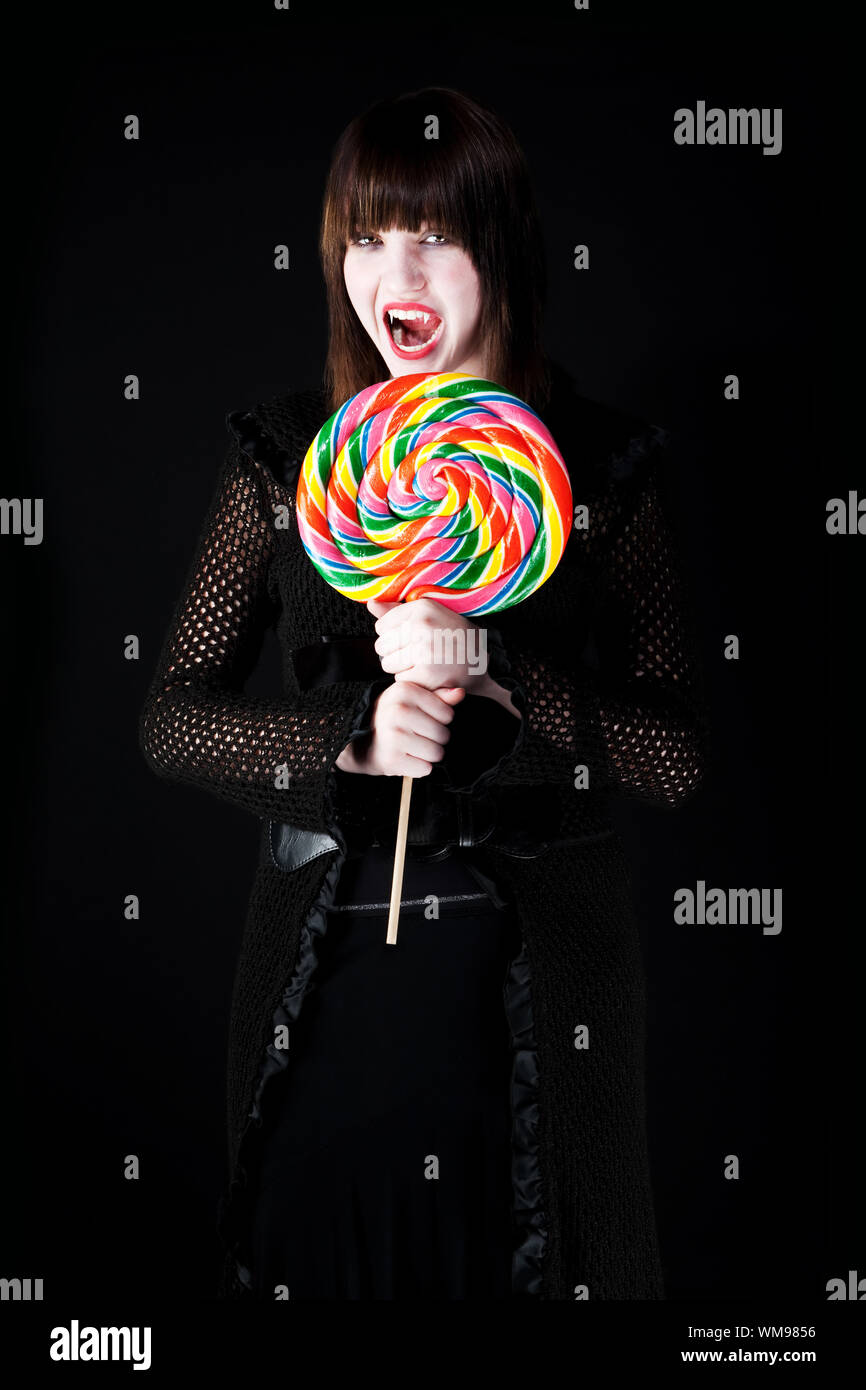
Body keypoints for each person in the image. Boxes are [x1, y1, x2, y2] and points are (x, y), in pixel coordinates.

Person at [138, 86, 709, 1300]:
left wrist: (506, 686)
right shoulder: (294, 457)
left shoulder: (598, 466)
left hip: (539, 1004)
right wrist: (349, 740)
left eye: (433, 234)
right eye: (363, 232)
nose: (391, 269)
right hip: (330, 989)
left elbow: (676, 758)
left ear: (498, 247)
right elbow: (172, 717)